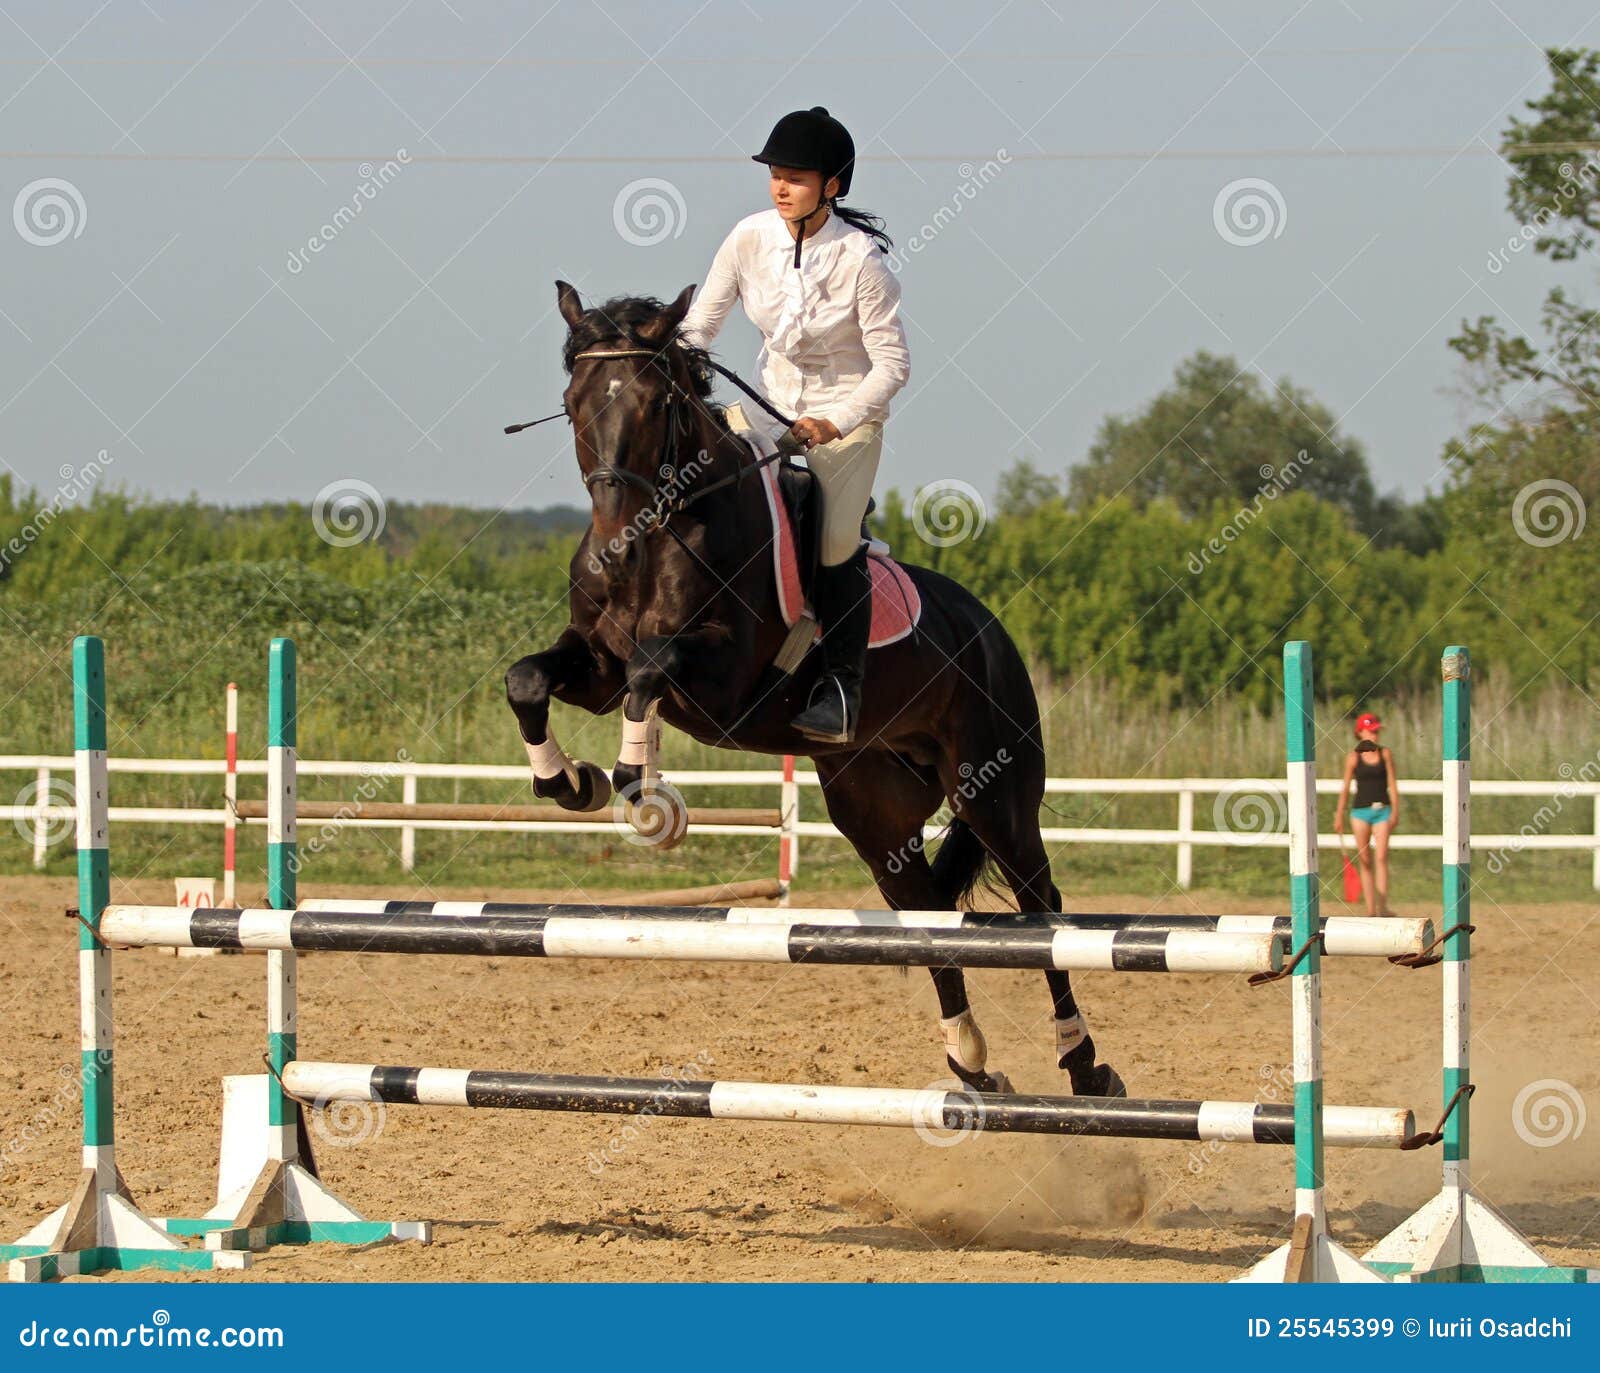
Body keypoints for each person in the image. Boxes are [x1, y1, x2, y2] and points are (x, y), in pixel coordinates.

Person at [679, 106, 910, 744]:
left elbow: (893, 365)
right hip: (764, 406)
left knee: (835, 541)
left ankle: (840, 687)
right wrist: (669, 358)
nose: (780, 186)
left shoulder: (862, 260)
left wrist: (834, 422)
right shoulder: (748, 237)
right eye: (775, 174)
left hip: (847, 418)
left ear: (832, 186)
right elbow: (701, 326)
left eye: (796, 177)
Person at [1334, 711, 1400, 915]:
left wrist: (1395, 811)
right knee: (1365, 860)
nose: (1374, 735)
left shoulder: (1385, 754)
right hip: (1360, 812)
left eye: (1376, 731)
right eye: (1370, 731)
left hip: (1383, 810)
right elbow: (1345, 788)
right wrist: (1339, 814)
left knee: (1381, 857)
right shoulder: (1353, 757)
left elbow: (1392, 783)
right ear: (1360, 732)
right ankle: (1371, 910)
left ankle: (1382, 907)